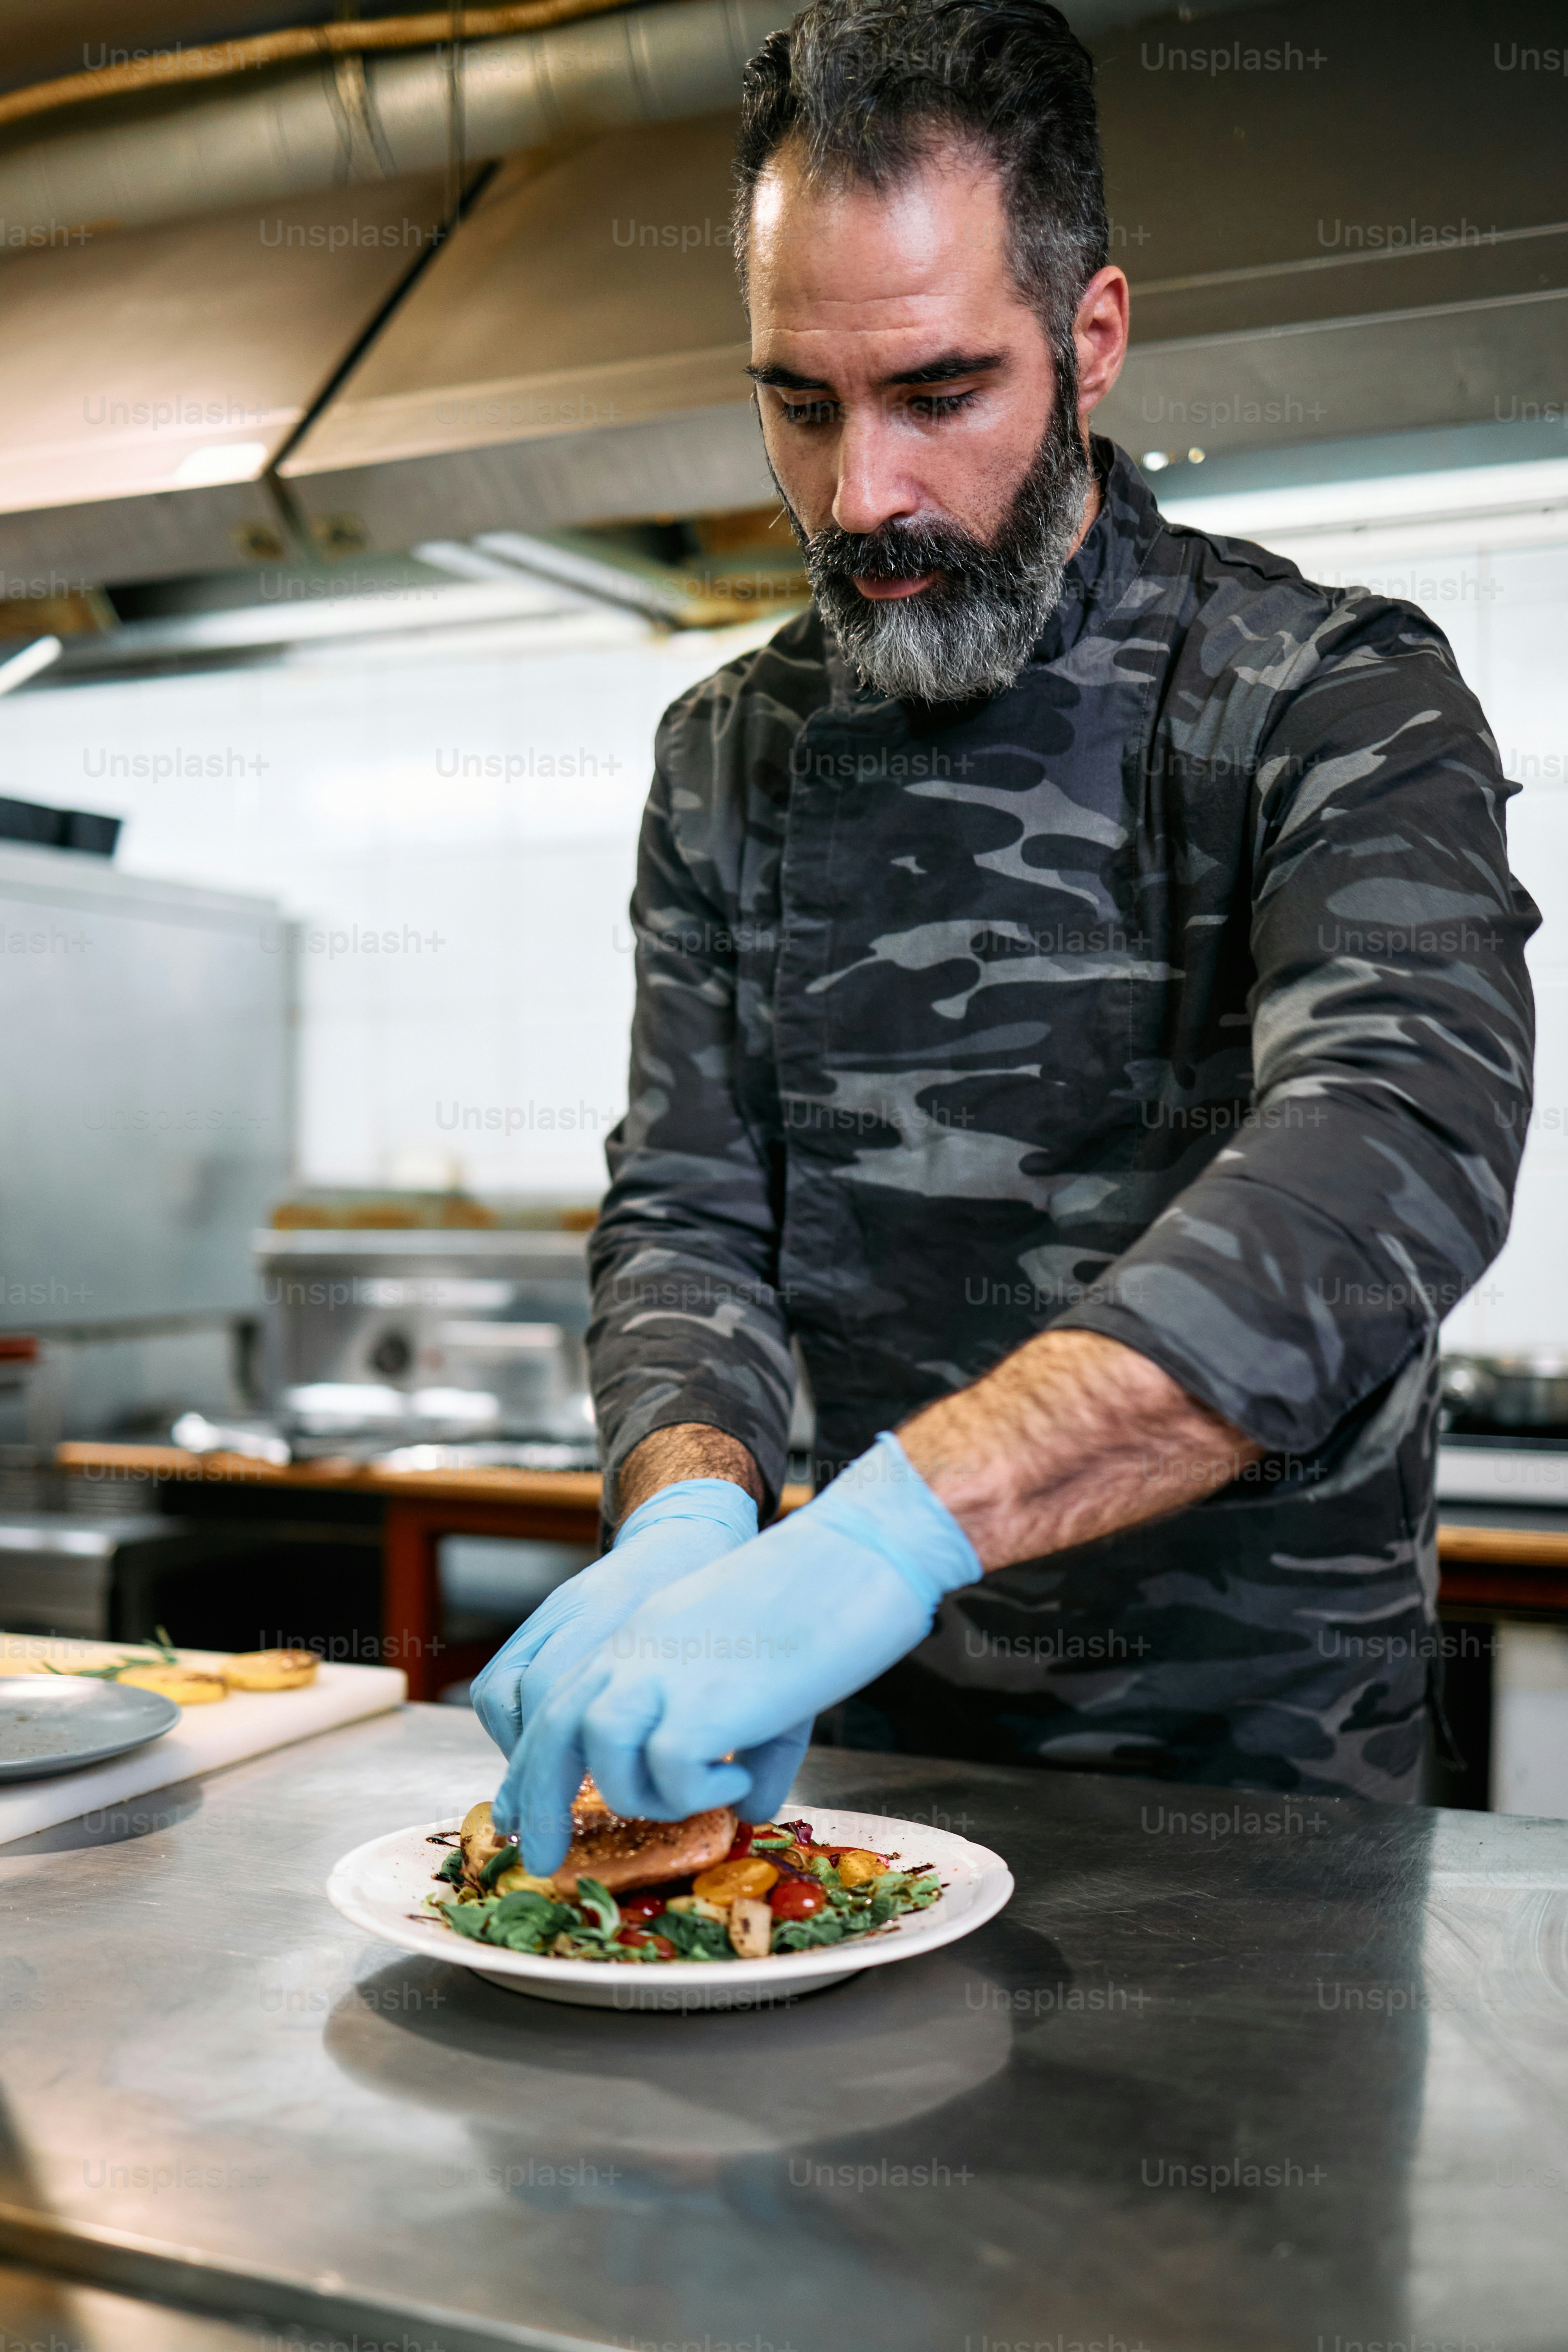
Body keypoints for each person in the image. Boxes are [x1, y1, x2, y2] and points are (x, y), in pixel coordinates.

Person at [474, 0, 1537, 1869]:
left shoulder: (1329, 695)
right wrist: (688, 1517)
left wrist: (897, 1530)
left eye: (939, 393)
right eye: (799, 403)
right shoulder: (732, 751)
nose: (862, 493)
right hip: (858, 1790)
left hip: (1262, 1802)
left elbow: (1396, 1148)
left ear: (1092, 339)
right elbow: (689, 1212)